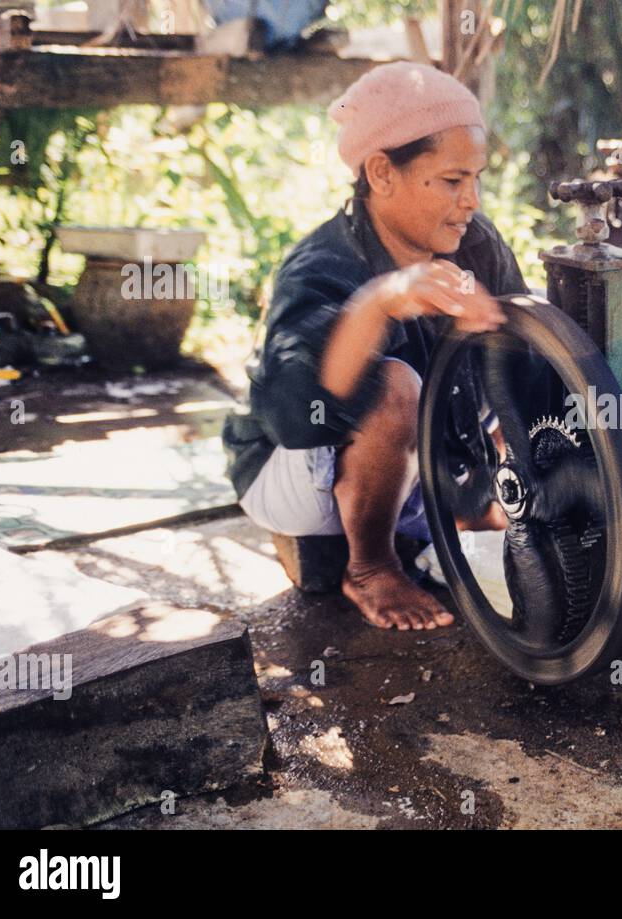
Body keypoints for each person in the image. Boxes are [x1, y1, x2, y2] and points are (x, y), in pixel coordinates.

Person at [222, 62, 521, 632]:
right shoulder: (320, 267)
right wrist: (379, 302)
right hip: (290, 475)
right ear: (382, 173)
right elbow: (296, 419)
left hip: (418, 464)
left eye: (477, 178)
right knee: (393, 387)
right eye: (453, 180)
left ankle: (424, 513)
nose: (472, 200)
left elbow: (523, 361)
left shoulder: (475, 245)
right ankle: (370, 566)